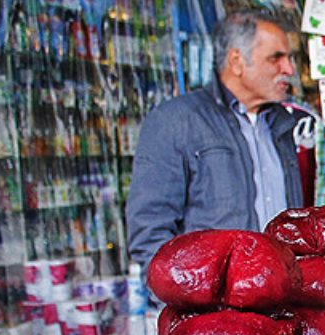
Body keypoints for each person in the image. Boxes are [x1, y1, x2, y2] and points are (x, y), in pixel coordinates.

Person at [126, 10, 304, 278]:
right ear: (237, 61)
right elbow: (149, 230)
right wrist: (184, 294)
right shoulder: (176, 120)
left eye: (290, 58)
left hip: (278, 291)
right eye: (276, 58)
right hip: (214, 298)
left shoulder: (280, 124)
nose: (289, 69)